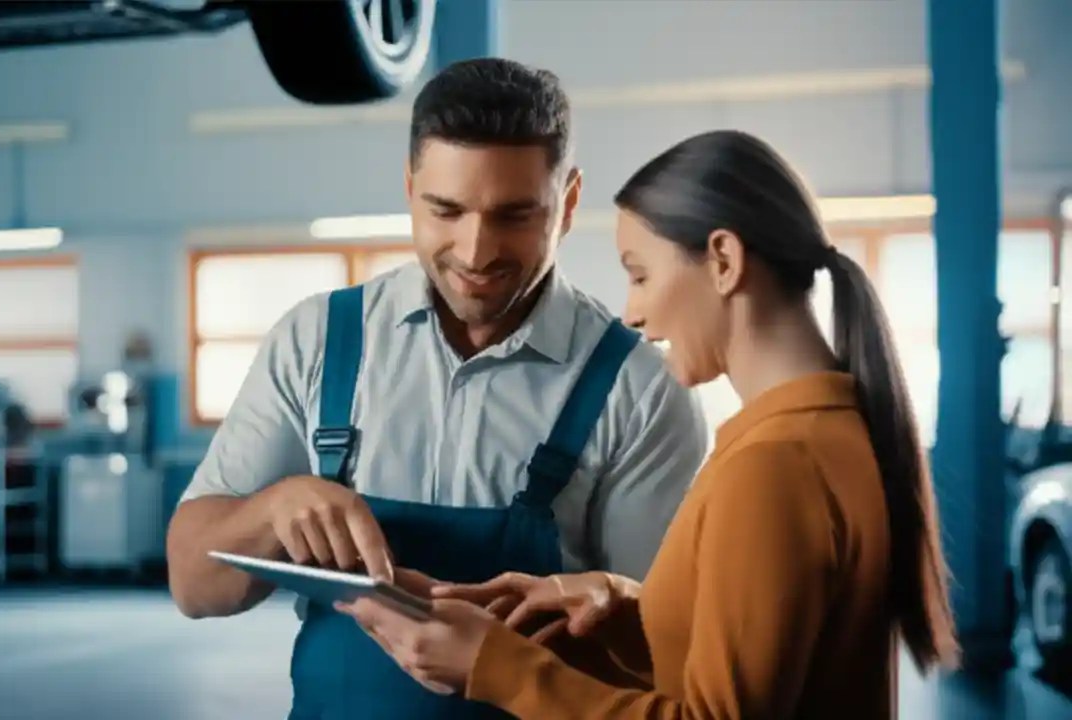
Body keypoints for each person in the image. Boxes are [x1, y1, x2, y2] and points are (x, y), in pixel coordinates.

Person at [336, 129, 960, 719]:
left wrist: (498, 666)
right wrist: (618, 608)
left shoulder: (774, 465)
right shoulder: (831, 434)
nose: (632, 312)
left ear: (722, 259)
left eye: (640, 275)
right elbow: (771, 658)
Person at [165, 58, 708, 718]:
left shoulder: (640, 389)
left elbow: (670, 659)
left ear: (566, 203)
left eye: (515, 215)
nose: (476, 251)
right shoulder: (316, 340)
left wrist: (514, 656)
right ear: (409, 186)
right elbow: (195, 586)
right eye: (446, 210)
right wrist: (277, 507)